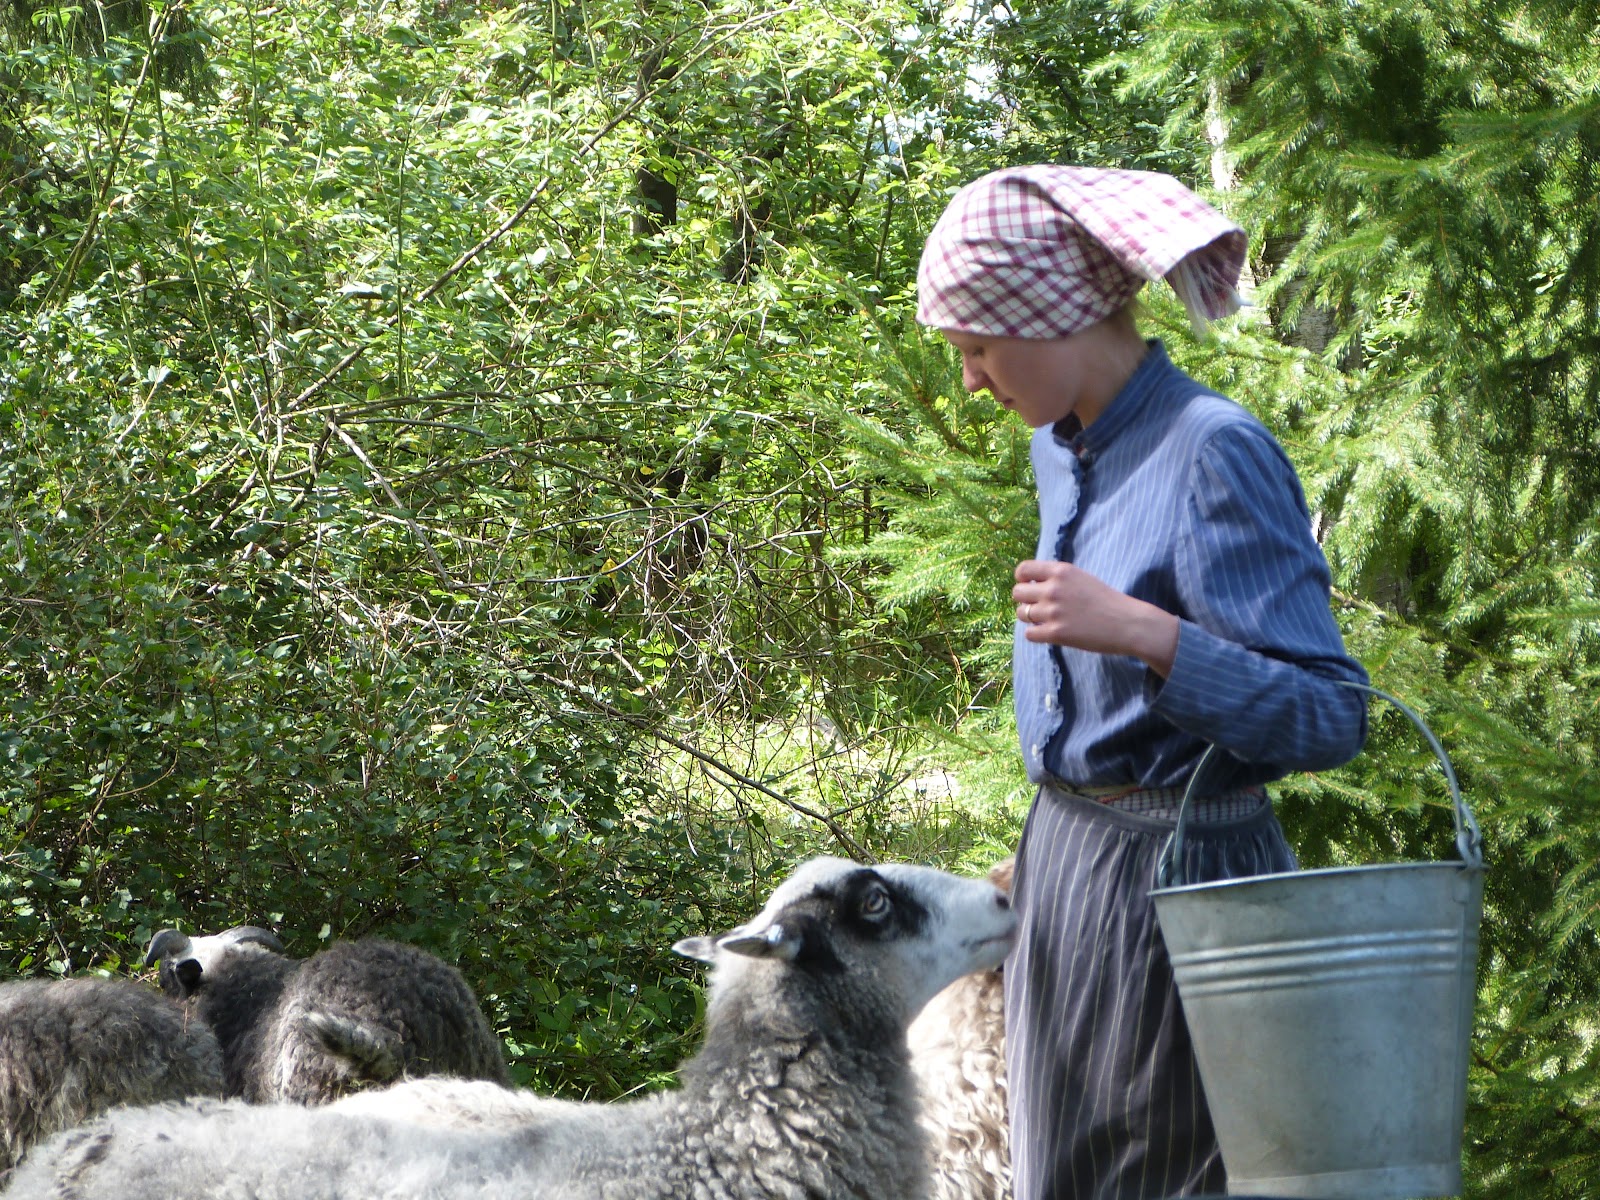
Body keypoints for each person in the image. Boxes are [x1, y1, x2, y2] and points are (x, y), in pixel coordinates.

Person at [915, 164, 1369, 1200]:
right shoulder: (1059, 449)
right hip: (1065, 872)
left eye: (978, 348)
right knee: (1058, 1173)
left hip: (1185, 895)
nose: (971, 380)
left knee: (1166, 1177)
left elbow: (1329, 715)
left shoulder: (1214, 452)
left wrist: (1144, 632)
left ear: (1054, 315)